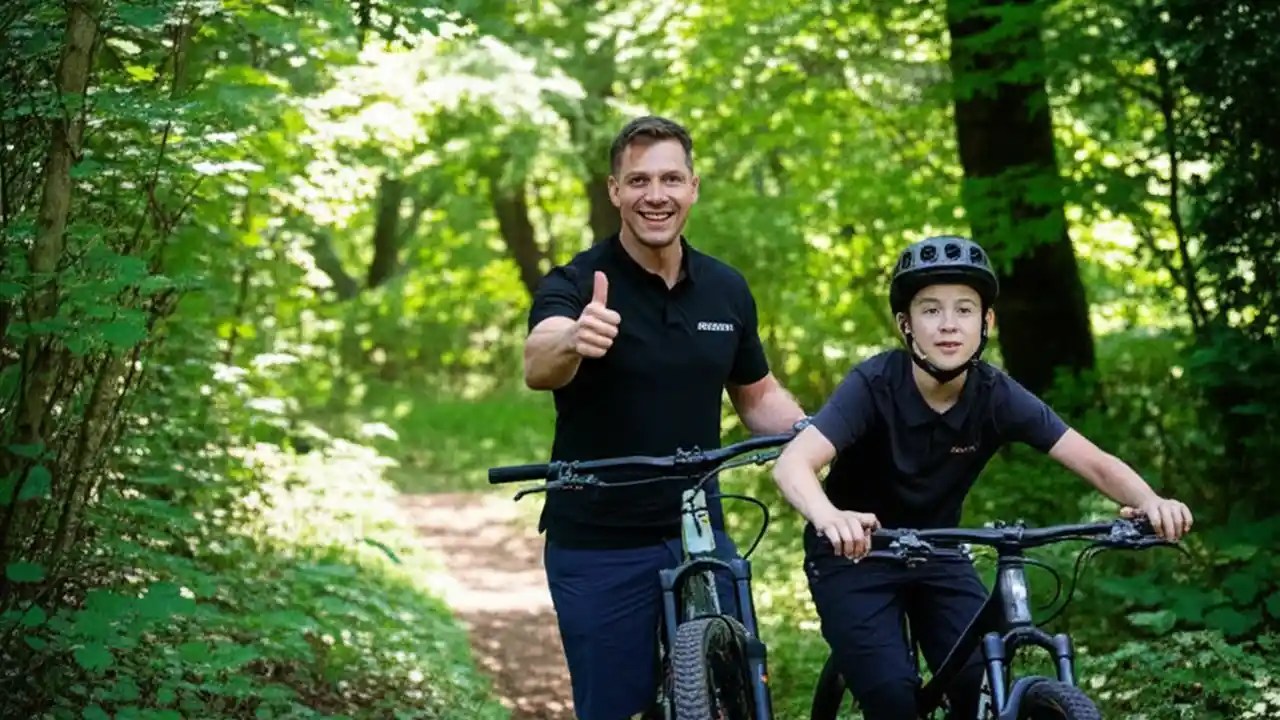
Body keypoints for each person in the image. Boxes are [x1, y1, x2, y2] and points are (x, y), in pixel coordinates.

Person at [770, 234, 1195, 720]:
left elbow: (1093, 460)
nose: (948, 325)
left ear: (986, 322)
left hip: (939, 549)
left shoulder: (995, 393)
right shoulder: (875, 384)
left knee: (980, 683)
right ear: (905, 325)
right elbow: (793, 464)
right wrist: (830, 516)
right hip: (856, 555)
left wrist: (1150, 499)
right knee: (891, 698)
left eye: (965, 310)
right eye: (930, 310)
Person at [522, 115, 806, 720]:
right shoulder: (577, 282)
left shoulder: (725, 288)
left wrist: (818, 439)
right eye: (639, 180)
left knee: (739, 691)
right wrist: (574, 336)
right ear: (615, 191)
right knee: (616, 708)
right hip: (599, 540)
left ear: (693, 187)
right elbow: (538, 361)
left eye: (671, 178)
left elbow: (756, 396)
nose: (657, 195)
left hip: (701, 530)